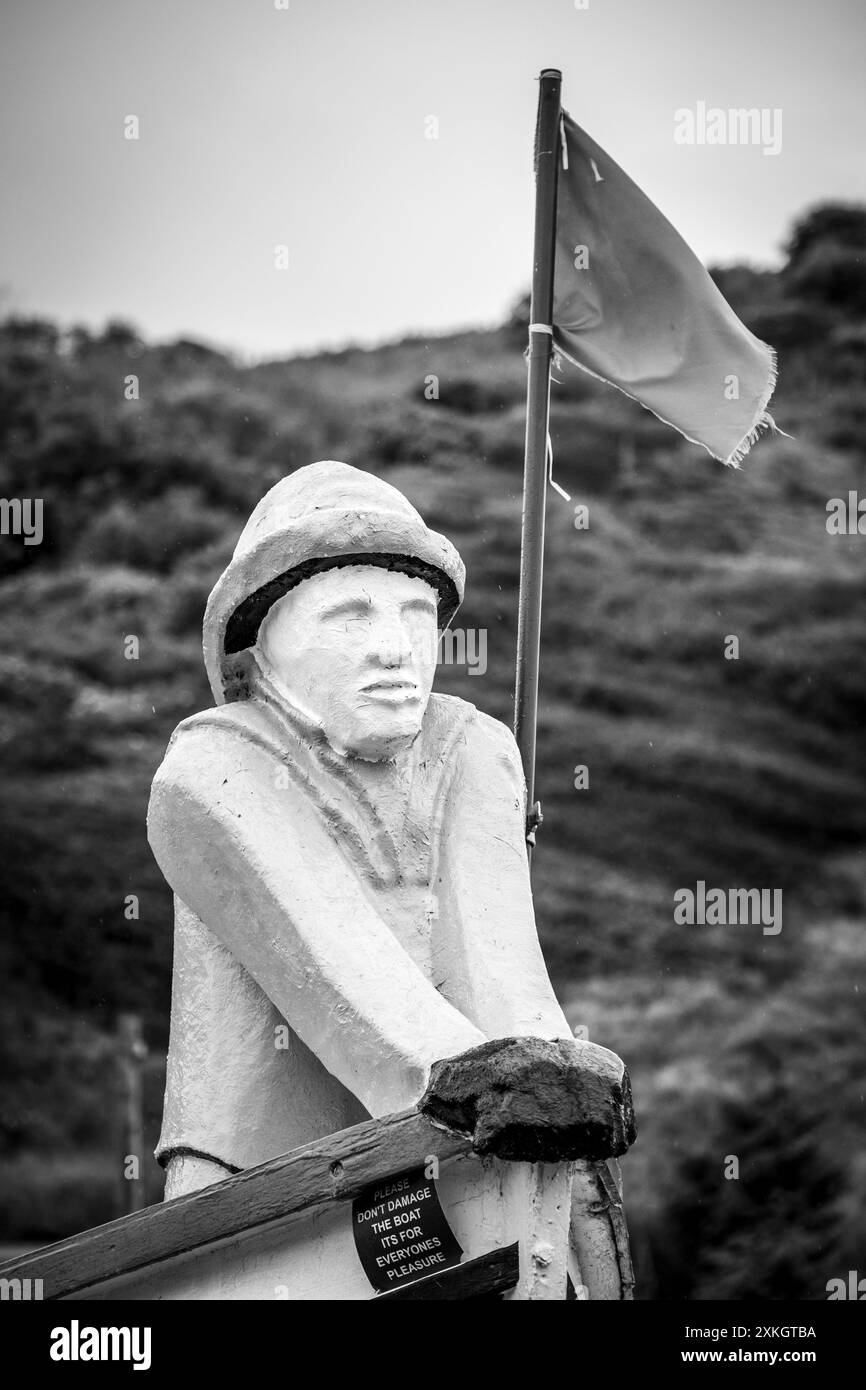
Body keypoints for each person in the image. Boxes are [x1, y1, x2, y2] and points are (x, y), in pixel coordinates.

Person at [147, 461, 635, 1249]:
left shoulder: (474, 748)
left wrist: (566, 1117)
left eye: (416, 615)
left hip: (466, 1145)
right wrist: (487, 1089)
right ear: (258, 648)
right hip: (256, 1180)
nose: (394, 649)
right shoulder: (213, 767)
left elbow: (501, 967)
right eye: (349, 616)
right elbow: (336, 963)